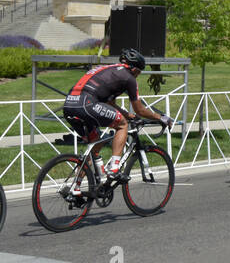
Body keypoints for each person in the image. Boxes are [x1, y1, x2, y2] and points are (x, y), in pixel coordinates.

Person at [63, 48, 174, 177]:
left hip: (69, 104)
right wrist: (161, 117)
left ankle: (76, 188)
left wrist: (127, 114)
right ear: (134, 69)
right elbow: (140, 109)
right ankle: (114, 167)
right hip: (87, 104)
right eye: (138, 72)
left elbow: (110, 103)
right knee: (122, 124)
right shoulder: (129, 77)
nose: (137, 76)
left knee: (95, 144)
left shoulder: (110, 70)